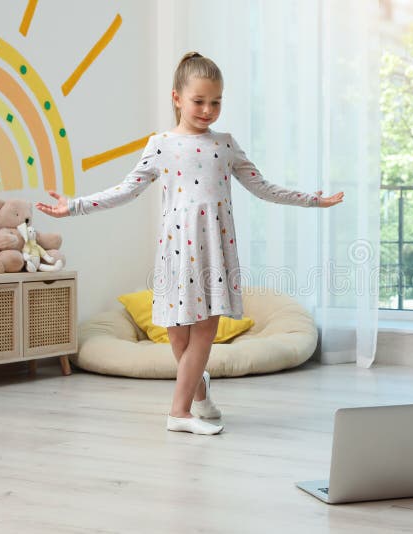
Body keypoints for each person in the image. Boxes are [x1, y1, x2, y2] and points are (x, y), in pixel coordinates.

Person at [36, 51, 344, 435]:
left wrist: (312, 200)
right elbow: (126, 190)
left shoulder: (225, 145)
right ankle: (200, 393)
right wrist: (75, 206)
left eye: (216, 102)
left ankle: (179, 413)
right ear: (177, 98)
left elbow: (262, 187)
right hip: (175, 252)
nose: (208, 109)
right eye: (199, 101)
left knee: (204, 332)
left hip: (215, 249)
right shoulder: (161, 144)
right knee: (178, 335)